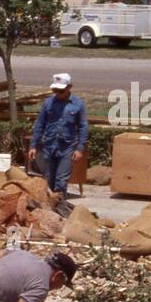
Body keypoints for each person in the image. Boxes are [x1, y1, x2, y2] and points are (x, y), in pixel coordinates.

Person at [27, 73, 88, 208]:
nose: (58, 94)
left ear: (69, 87)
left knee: (61, 181)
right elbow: (40, 124)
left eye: (61, 91)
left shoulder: (78, 104)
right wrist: (33, 145)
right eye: (55, 91)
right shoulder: (48, 103)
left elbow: (83, 127)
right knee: (48, 180)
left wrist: (80, 148)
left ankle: (60, 208)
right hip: (49, 147)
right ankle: (48, 208)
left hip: (67, 148)